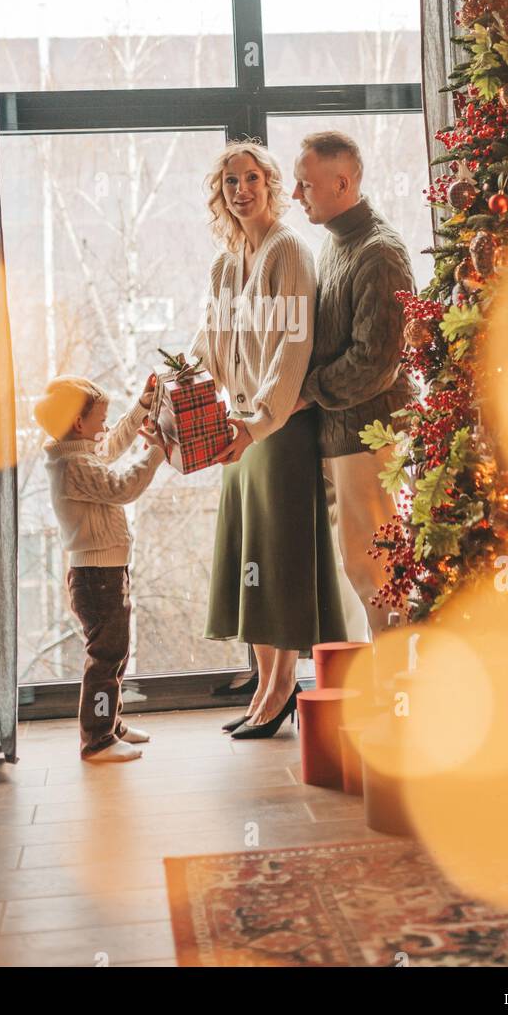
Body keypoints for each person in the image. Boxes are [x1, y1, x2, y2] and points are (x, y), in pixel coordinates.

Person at [189, 141, 346, 738]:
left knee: (278, 562)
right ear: (220, 193)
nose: (241, 190)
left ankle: (283, 689)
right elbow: (208, 342)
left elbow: (292, 352)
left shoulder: (289, 252)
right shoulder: (227, 263)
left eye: (251, 178)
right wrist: (175, 389)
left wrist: (259, 425)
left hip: (277, 428)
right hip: (238, 428)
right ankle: (262, 688)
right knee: (249, 557)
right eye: (230, 182)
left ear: (270, 183)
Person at [291, 130, 418, 636]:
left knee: (381, 575)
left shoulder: (379, 254)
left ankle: (399, 695)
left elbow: (375, 361)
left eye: (305, 185)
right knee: (361, 572)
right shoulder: (336, 245)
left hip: (370, 438)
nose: (296, 196)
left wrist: (306, 391)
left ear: (341, 183)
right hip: (344, 437)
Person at [34, 374, 165, 763]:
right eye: (101, 419)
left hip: (105, 573)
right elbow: (122, 487)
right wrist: (156, 453)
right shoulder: (74, 466)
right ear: (78, 423)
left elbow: (113, 444)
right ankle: (98, 740)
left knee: (115, 653)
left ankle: (109, 722)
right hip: (97, 578)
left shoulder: (79, 454)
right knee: (106, 656)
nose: (106, 426)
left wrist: (141, 407)